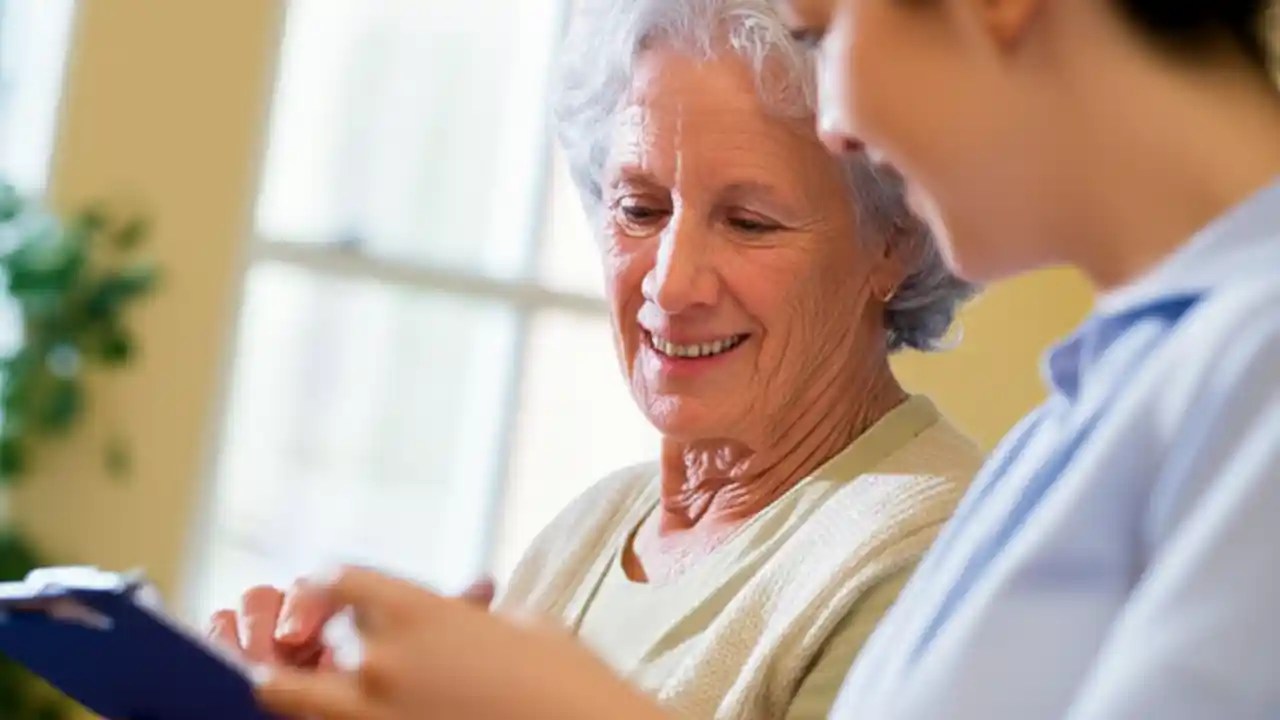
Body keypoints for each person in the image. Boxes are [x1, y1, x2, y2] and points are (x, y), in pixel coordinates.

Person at [253, 0, 1280, 717]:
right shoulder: (1085, 416)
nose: (835, 121)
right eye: (639, 206)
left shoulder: (1246, 373)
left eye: (822, 34)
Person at [214, 1, 984, 717]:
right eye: (639, 209)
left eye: (749, 222)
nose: (671, 283)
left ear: (896, 238)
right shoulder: (589, 530)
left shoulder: (924, 552)